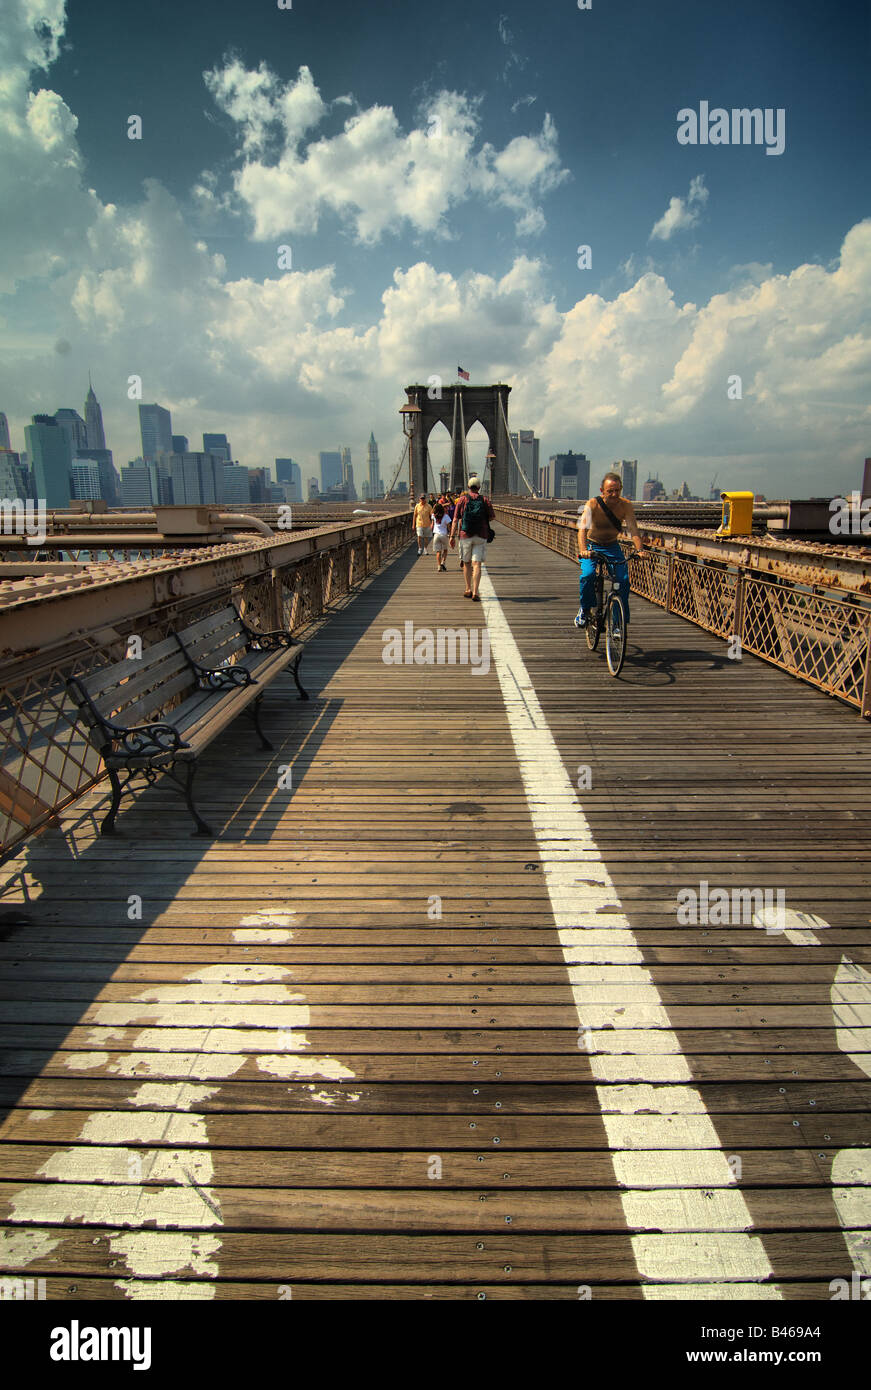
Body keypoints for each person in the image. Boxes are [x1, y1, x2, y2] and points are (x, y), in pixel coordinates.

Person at [575, 473, 645, 628]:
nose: (614, 494)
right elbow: (582, 529)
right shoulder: (593, 504)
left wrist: (639, 550)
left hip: (612, 546)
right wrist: (583, 550)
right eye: (610, 491)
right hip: (593, 546)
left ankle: (618, 624)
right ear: (602, 491)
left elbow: (633, 529)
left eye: (617, 491)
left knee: (623, 580)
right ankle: (585, 609)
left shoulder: (625, 505)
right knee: (588, 575)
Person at [449, 476, 495, 600]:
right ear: (479, 487)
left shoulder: (462, 499)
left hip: (465, 535)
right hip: (481, 535)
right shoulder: (484, 500)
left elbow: (455, 519)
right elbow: (492, 517)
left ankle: (468, 589)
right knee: (477, 564)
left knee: (467, 563)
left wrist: (452, 536)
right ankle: (475, 592)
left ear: (469, 487)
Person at [431, 502, 451, 571]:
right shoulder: (446, 516)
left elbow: (433, 509)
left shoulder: (433, 515)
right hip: (444, 535)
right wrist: (451, 534)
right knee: (445, 550)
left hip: (436, 535)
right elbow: (449, 527)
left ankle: (439, 566)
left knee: (438, 551)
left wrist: (436, 506)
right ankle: (443, 562)